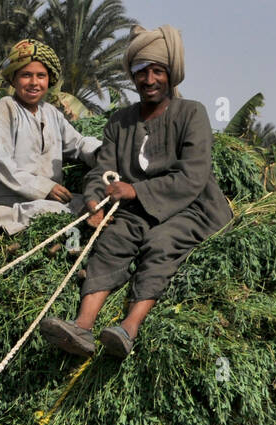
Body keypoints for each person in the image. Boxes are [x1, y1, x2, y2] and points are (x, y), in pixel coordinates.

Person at [39, 24, 233, 358]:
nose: (149, 79)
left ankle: (129, 328)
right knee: (113, 240)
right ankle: (82, 328)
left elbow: (193, 174)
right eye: (142, 72)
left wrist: (135, 191)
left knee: (161, 242)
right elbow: (103, 169)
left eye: (158, 71)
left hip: (193, 208)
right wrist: (93, 199)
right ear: (134, 78)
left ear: (171, 75)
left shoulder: (193, 114)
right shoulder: (120, 121)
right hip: (137, 210)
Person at [0, 39, 101, 248]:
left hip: (46, 198)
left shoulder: (51, 113)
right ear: (13, 79)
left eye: (40, 76)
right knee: (53, 210)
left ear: (49, 80)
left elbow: (77, 143)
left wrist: (101, 152)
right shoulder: (4, 109)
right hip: (8, 194)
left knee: (83, 205)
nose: (34, 82)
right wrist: (45, 187)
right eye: (26, 75)